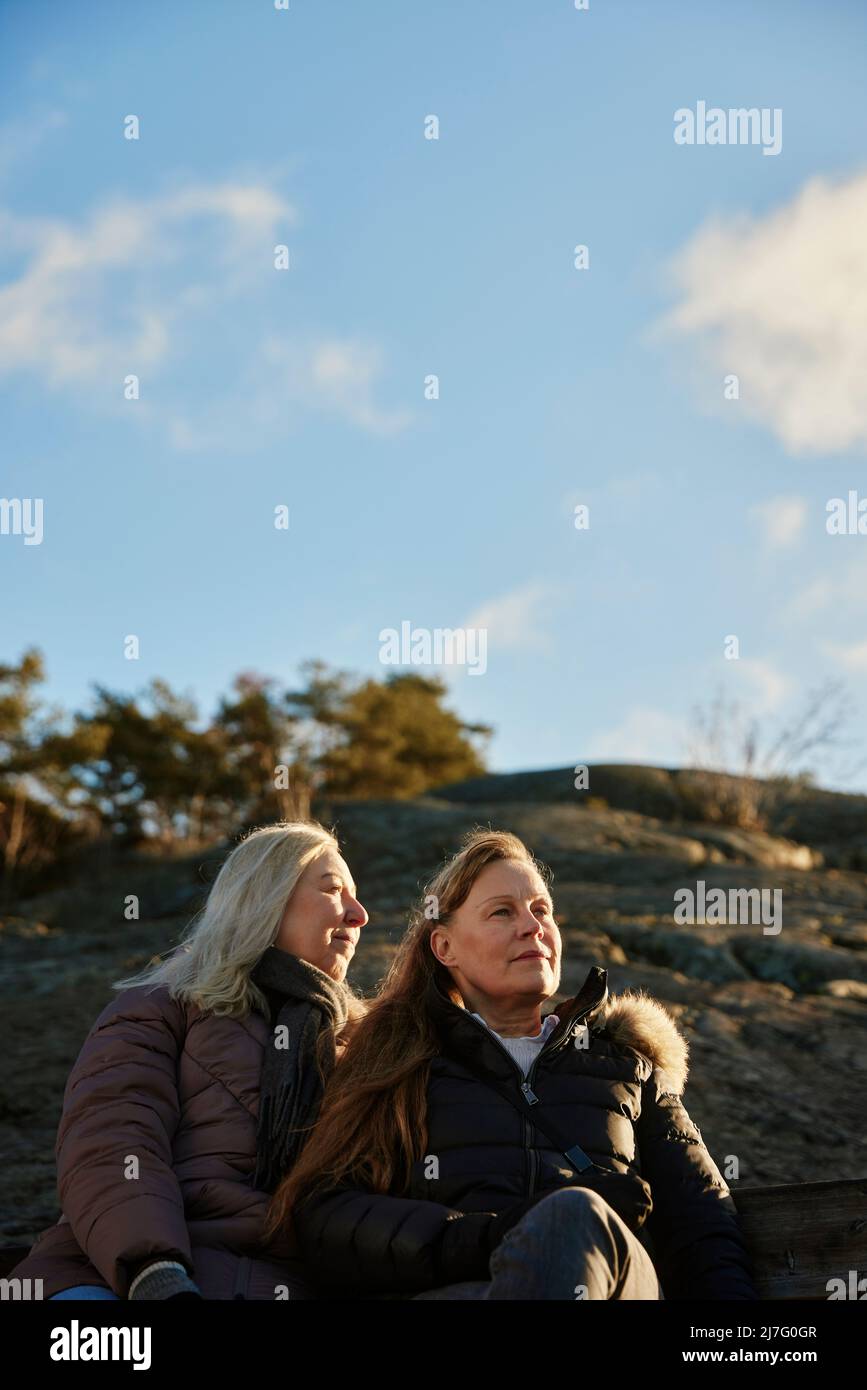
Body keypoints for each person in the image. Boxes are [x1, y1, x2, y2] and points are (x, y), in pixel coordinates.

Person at [268, 829, 758, 1300]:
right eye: (502, 912)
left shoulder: (626, 1067)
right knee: (566, 1213)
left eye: (541, 910)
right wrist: (494, 1234)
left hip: (612, 1286)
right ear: (445, 947)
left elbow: (704, 1225)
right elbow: (326, 1218)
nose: (533, 926)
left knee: (573, 1217)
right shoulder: (397, 1063)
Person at [10, 820, 368, 1301]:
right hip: (116, 1276)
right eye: (333, 890)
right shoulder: (161, 1005)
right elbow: (112, 1140)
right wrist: (153, 1272)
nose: (358, 914)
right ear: (264, 899)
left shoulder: (366, 1045)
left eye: (356, 896)